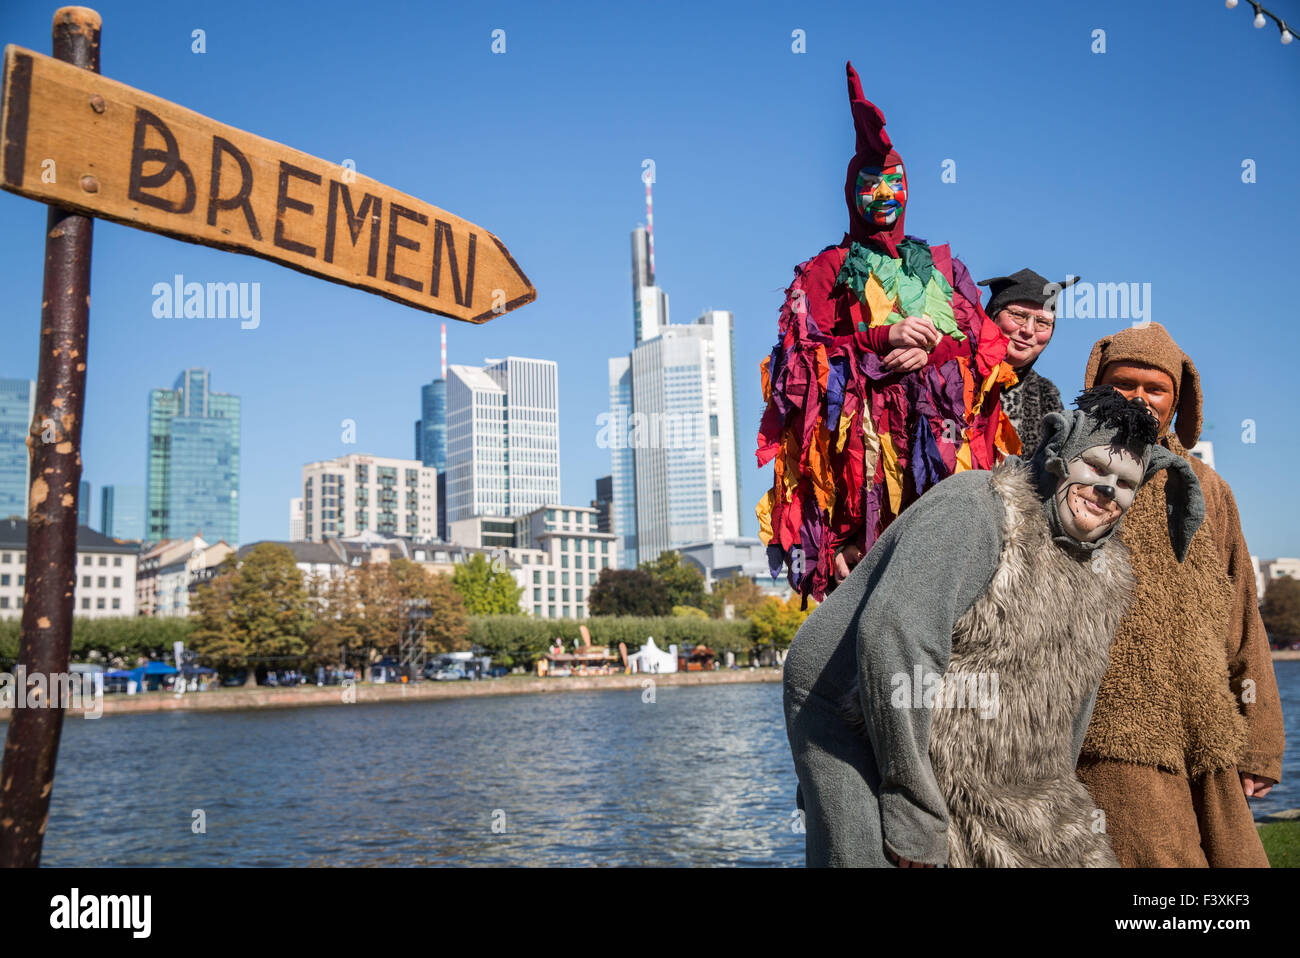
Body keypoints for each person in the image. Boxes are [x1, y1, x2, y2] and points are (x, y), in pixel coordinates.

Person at [782, 386, 1204, 867]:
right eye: (1096, 468)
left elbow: (1072, 696)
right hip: (843, 701)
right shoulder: (977, 508)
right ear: (1059, 456)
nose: (1107, 490)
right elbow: (895, 637)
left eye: (1125, 483)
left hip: (960, 722)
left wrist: (1053, 794)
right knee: (881, 851)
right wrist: (912, 807)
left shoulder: (1104, 572)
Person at [756, 62, 1019, 604]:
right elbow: (797, 367)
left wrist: (932, 353)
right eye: (869, 185)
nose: (882, 196)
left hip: (943, 462)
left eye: (892, 183)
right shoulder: (825, 270)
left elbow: (984, 351)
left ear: (907, 188)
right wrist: (879, 342)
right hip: (862, 479)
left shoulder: (945, 268)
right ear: (851, 192)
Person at [1075, 322, 1285, 867]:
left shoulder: (1208, 486)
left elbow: (1242, 610)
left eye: (1155, 388)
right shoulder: (1071, 470)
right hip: (1114, 726)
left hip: (1207, 723)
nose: (1140, 397)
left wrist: (1259, 740)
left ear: (1177, 401)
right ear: (1097, 383)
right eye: (1124, 383)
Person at [978, 269, 1079, 454]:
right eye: (1018, 315)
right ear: (993, 316)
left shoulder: (1047, 395)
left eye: (1042, 322)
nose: (1029, 330)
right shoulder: (954, 372)